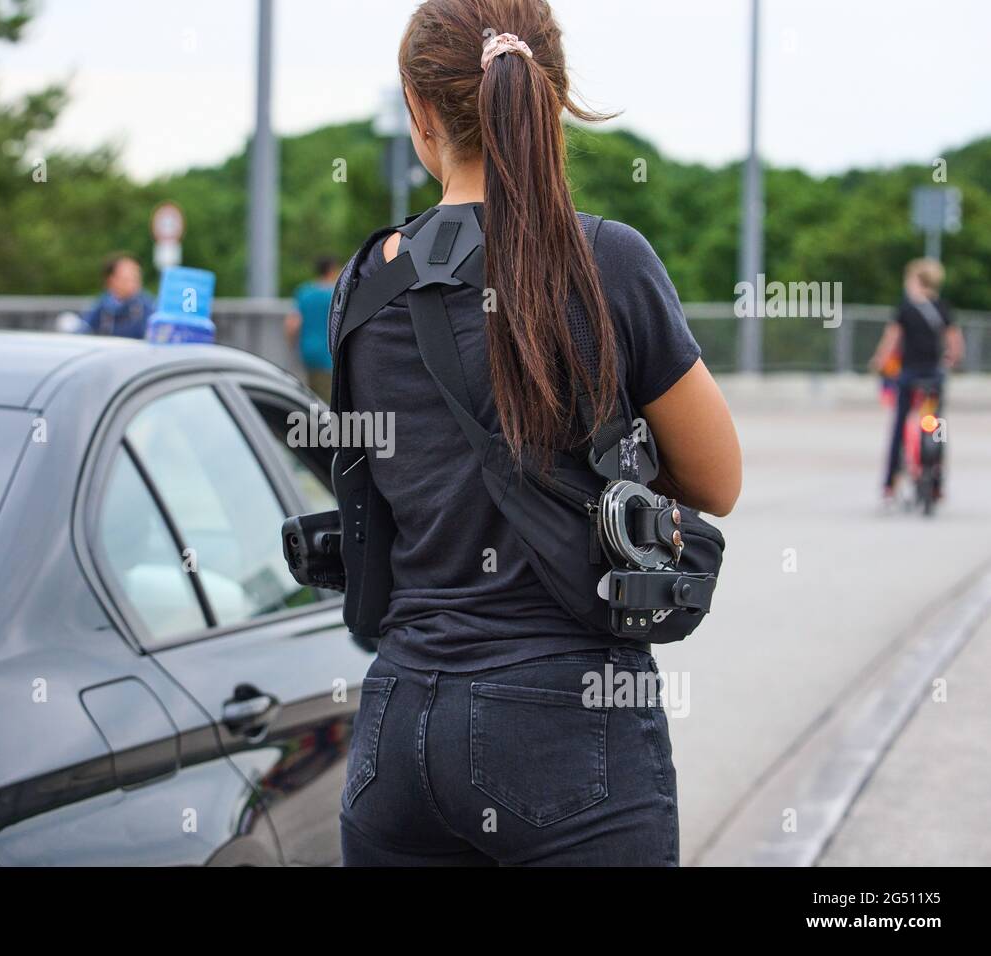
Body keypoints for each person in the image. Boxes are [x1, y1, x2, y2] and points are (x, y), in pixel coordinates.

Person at [333, 0, 741, 866]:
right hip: (566, 727)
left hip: (395, 728)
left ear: (418, 107)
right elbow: (718, 479)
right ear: (549, 98)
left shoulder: (365, 285)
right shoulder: (607, 261)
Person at [869, 258, 963, 503]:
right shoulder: (942, 307)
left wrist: (879, 363)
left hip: (909, 374)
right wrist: (952, 361)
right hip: (934, 374)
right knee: (938, 425)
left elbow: (891, 340)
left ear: (916, 281)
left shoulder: (905, 308)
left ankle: (889, 483)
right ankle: (937, 483)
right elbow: (954, 342)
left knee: (900, 425)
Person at [285, 257, 340, 397]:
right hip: (328, 354)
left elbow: (292, 323)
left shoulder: (304, 291)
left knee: (311, 394)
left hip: (308, 351)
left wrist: (293, 346)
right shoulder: (335, 294)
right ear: (332, 270)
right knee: (326, 398)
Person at [81, 253, 155, 338]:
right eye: (127, 277)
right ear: (111, 280)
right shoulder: (101, 307)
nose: (134, 281)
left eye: (136, 276)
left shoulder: (148, 307)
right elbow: (84, 330)